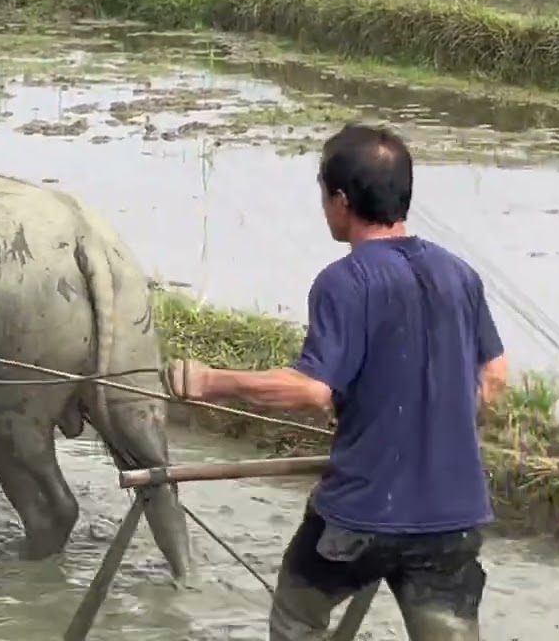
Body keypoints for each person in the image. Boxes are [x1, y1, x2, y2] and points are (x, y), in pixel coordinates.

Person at [164, 124, 509, 641]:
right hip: (453, 520)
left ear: (341, 200)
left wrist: (208, 381)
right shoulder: (461, 274)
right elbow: (496, 374)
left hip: (362, 517)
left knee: (296, 616)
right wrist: (440, 419)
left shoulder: (344, 282)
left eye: (324, 195)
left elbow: (311, 389)